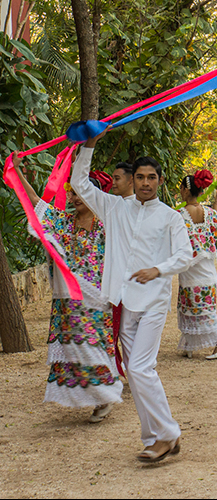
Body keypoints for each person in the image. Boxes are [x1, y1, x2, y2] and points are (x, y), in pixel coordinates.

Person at [71, 128, 192, 463]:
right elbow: (79, 183)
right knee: (136, 374)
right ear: (132, 180)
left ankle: (168, 433)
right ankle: (154, 437)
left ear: (160, 181)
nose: (145, 183)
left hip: (153, 301)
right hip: (123, 301)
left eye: (151, 177)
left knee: (139, 368)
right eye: (140, 177)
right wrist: (90, 144)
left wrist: (158, 269)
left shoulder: (170, 217)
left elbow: (185, 255)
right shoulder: (114, 208)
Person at [13, 153, 123, 423]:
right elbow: (36, 203)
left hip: (96, 296)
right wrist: (17, 174)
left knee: (93, 346)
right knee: (74, 348)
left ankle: (105, 395)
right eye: (72, 193)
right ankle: (99, 396)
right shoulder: (64, 222)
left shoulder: (107, 225)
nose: (74, 198)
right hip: (67, 300)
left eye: (79, 193)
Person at [177, 172, 217, 360]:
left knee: (196, 308)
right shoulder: (210, 214)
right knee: (200, 308)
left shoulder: (179, 216)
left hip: (191, 271)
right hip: (207, 272)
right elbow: (216, 228)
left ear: (185, 190)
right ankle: (190, 344)